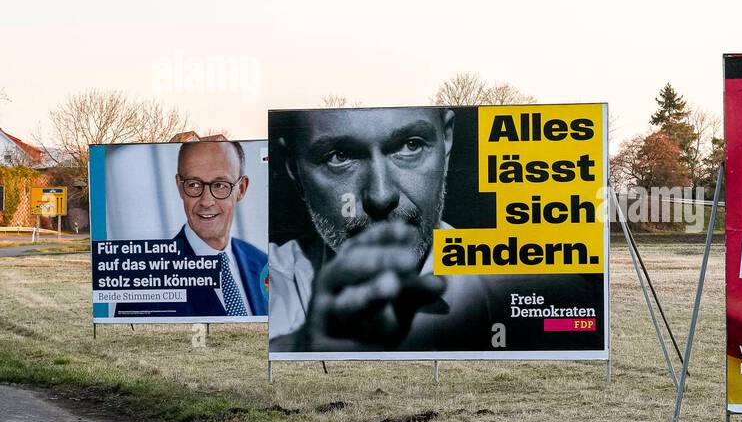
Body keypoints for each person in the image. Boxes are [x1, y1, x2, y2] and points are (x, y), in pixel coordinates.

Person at [268, 106, 490, 353]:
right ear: (295, 170)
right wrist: (302, 348)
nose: (381, 196)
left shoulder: (512, 282)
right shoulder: (262, 283)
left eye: (410, 145)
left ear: (447, 140)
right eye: (339, 156)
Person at [114, 137, 267, 319]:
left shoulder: (262, 263)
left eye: (220, 185)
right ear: (179, 186)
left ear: (241, 189)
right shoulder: (143, 282)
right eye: (194, 185)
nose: (206, 201)